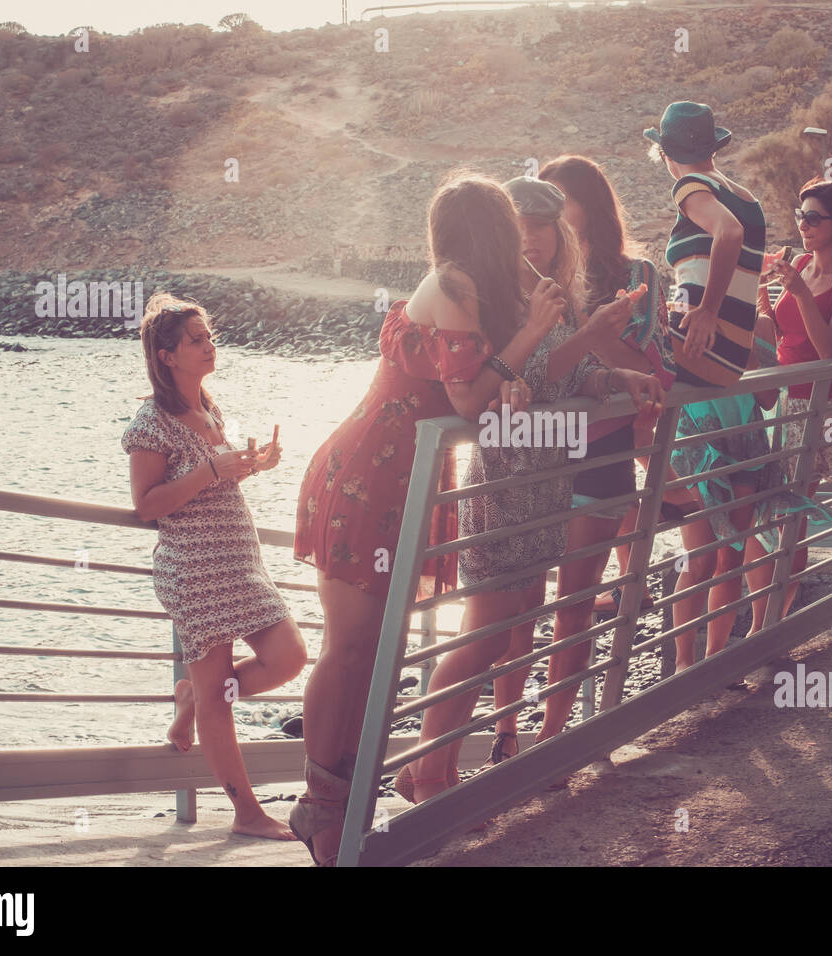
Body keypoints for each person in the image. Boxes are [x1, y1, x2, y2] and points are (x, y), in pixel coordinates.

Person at [291, 172, 565, 865]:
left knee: (372, 650)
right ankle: (319, 807)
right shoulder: (449, 285)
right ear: (492, 231)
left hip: (395, 480)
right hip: (365, 476)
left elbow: (480, 388)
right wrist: (533, 330)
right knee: (350, 648)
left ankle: (342, 806)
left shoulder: (462, 290)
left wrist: (521, 372)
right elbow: (469, 399)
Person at [401, 177, 664, 802]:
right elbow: (494, 385)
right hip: (504, 478)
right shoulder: (478, 292)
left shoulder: (529, 292)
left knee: (504, 627)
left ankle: (426, 772)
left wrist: (611, 370)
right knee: (485, 635)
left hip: (545, 481)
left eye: (535, 225)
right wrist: (569, 332)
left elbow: (550, 374)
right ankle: (430, 776)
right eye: (510, 224)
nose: (523, 237)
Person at [122, 292, 306, 841]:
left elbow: (211, 480)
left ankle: (190, 700)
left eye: (209, 337)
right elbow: (147, 504)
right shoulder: (150, 422)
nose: (209, 345)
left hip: (239, 563)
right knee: (218, 699)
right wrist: (209, 470)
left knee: (290, 656)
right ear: (166, 356)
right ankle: (247, 813)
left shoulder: (208, 407)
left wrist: (249, 466)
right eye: (196, 340)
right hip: (194, 571)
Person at [532, 154, 677, 745]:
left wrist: (598, 335)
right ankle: (506, 737)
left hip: (602, 449)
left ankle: (552, 737)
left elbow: (654, 367)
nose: (546, 217)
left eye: (558, 201)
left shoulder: (633, 272)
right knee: (511, 607)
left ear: (589, 206)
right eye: (537, 203)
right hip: (532, 452)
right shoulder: (528, 276)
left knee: (574, 603)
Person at [644, 101, 785, 671]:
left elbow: (723, 236)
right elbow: (738, 236)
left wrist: (700, 309)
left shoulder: (691, 188)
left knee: (623, 330)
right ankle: (714, 666)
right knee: (725, 551)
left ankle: (682, 669)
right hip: (733, 369)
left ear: (663, 151)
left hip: (702, 353)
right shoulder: (743, 195)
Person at [749, 179, 832, 626]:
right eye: (801, 216)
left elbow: (830, 353)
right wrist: (763, 296)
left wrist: (800, 292)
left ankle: (770, 625)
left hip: (815, 405)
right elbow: (785, 336)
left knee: (791, 517)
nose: (804, 225)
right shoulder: (799, 262)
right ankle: (762, 620)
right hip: (778, 397)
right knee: (765, 512)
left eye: (814, 218)